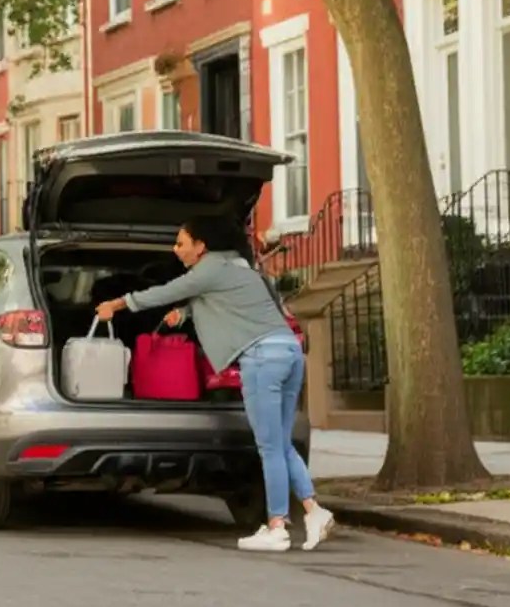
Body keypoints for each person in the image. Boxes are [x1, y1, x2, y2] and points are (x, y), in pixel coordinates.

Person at [94, 216, 335, 552]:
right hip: (290, 353)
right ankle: (313, 511)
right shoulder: (237, 267)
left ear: (200, 246)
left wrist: (117, 305)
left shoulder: (206, 271)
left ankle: (277, 526)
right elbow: (224, 300)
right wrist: (186, 314)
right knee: (280, 442)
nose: (175, 250)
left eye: (181, 243)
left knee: (268, 448)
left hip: (262, 360)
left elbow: (164, 292)